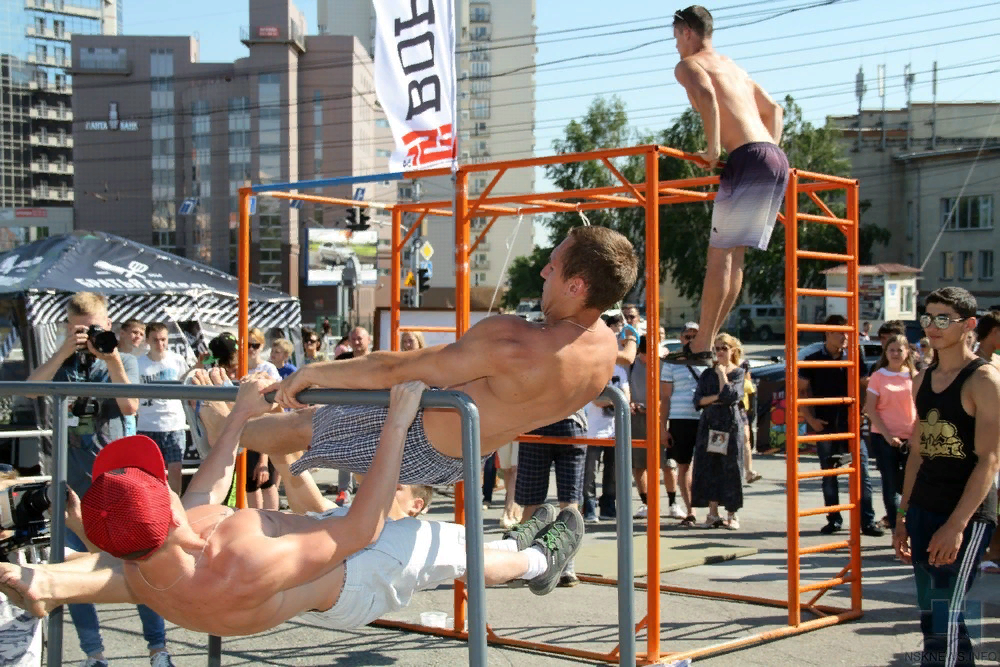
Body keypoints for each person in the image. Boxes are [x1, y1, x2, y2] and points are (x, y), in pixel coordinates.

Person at [0, 377, 586, 637]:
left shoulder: (145, 561)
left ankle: (44, 584)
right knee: (454, 549)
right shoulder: (238, 562)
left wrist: (240, 414)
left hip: (315, 549)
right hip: (357, 572)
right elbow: (362, 527)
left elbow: (207, 487)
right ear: (169, 516)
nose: (179, 496)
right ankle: (539, 561)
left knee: (452, 543)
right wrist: (397, 424)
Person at [245, 226, 639, 487]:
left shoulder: (514, 343)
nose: (542, 272)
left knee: (304, 425)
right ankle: (229, 429)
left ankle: (221, 428)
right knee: (307, 426)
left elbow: (392, 367)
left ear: (575, 285)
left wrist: (313, 371)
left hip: (418, 443)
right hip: (464, 459)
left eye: (552, 267)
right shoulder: (606, 347)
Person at [23, 293, 173, 667]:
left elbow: (131, 406)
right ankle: (94, 654)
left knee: (139, 569)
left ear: (109, 326)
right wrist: (62, 351)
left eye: (98, 328)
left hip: (119, 490)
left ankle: (158, 650)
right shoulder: (64, 361)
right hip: (72, 489)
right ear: (67, 327)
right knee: (72, 573)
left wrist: (110, 358)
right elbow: (30, 388)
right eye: (81, 329)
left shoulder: (122, 360)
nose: (91, 335)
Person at [663, 6, 789, 365]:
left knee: (719, 255)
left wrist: (712, 149)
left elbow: (707, 98)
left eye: (675, 38)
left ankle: (702, 344)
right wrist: (770, 147)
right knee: (734, 256)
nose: (675, 47)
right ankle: (706, 340)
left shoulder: (690, 65)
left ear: (687, 32)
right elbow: (775, 110)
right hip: (772, 157)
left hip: (748, 157)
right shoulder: (733, 66)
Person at [893, 287, 1000, 666]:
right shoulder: (922, 379)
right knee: (932, 616)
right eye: (927, 318)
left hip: (965, 516)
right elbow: (918, 454)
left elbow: (989, 460)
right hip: (924, 507)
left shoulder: (984, 379)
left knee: (946, 618)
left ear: (969, 325)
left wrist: (957, 526)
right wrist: (903, 516)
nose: (932, 327)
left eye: (943, 319)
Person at [798, 314, 884, 537]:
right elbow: (801, 391)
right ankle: (834, 519)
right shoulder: (813, 359)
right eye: (840, 332)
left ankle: (867, 521)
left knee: (862, 474)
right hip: (826, 424)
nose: (845, 336)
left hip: (851, 425)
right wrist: (810, 419)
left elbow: (864, 385)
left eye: (848, 332)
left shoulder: (855, 356)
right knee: (829, 474)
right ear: (828, 333)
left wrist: (863, 411)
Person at [864, 333, 918, 532]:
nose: (895, 354)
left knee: (912, 485)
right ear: (885, 353)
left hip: (911, 437)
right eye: (891, 350)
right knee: (890, 483)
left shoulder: (915, 375)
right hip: (883, 436)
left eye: (899, 350)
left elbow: (923, 408)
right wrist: (888, 437)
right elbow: (871, 408)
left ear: (907, 352)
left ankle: (911, 526)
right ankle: (897, 528)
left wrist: (915, 435)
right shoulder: (878, 376)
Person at [691, 334, 746, 529]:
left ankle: (732, 514)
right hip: (710, 424)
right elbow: (698, 401)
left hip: (729, 424)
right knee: (709, 467)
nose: (720, 352)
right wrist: (717, 397)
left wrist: (723, 374)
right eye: (717, 348)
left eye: (724, 348)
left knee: (731, 468)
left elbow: (731, 397)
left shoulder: (738, 372)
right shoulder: (706, 374)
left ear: (732, 350)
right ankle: (712, 513)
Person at [629, 335, 683, 521]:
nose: (652, 357)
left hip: (661, 418)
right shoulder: (631, 365)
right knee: (639, 464)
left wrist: (658, 408)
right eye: (648, 353)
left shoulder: (664, 364)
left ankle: (673, 503)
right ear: (641, 352)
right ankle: (646, 503)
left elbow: (669, 393)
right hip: (638, 419)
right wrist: (631, 403)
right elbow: (624, 386)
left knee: (668, 463)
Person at [137, 322, 189, 495]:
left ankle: (175, 508)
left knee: (175, 469)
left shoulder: (177, 360)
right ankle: (152, 504)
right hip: (147, 424)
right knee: (148, 472)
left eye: (163, 339)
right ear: (147, 341)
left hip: (174, 423)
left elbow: (186, 382)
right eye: (155, 340)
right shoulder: (138, 363)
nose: (160, 344)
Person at [661, 323, 705, 526]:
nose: (690, 340)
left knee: (707, 465)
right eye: (687, 336)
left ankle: (714, 510)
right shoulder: (672, 362)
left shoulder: (708, 359)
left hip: (706, 418)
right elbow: (665, 398)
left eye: (694, 336)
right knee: (683, 466)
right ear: (681, 338)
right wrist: (663, 428)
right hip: (680, 419)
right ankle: (691, 510)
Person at [583, 362, 630, 523]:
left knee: (613, 472)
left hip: (615, 430)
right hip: (593, 430)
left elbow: (626, 397)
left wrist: (615, 399)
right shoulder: (592, 368)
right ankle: (589, 507)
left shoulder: (620, 371)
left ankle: (608, 506)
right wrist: (617, 399)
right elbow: (596, 399)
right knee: (589, 471)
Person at [245, 327, 281, 510]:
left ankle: (273, 520)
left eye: (255, 345)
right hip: (246, 429)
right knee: (250, 484)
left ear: (262, 346)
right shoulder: (238, 367)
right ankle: (255, 523)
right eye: (247, 345)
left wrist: (263, 459)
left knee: (266, 482)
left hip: (265, 428)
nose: (251, 349)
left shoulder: (268, 368)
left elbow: (273, 405)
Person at [740, 359, 762, 484]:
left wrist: (751, 416)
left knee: (746, 442)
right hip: (733, 412)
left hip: (743, 413)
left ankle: (749, 471)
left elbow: (752, 400)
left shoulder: (747, 382)